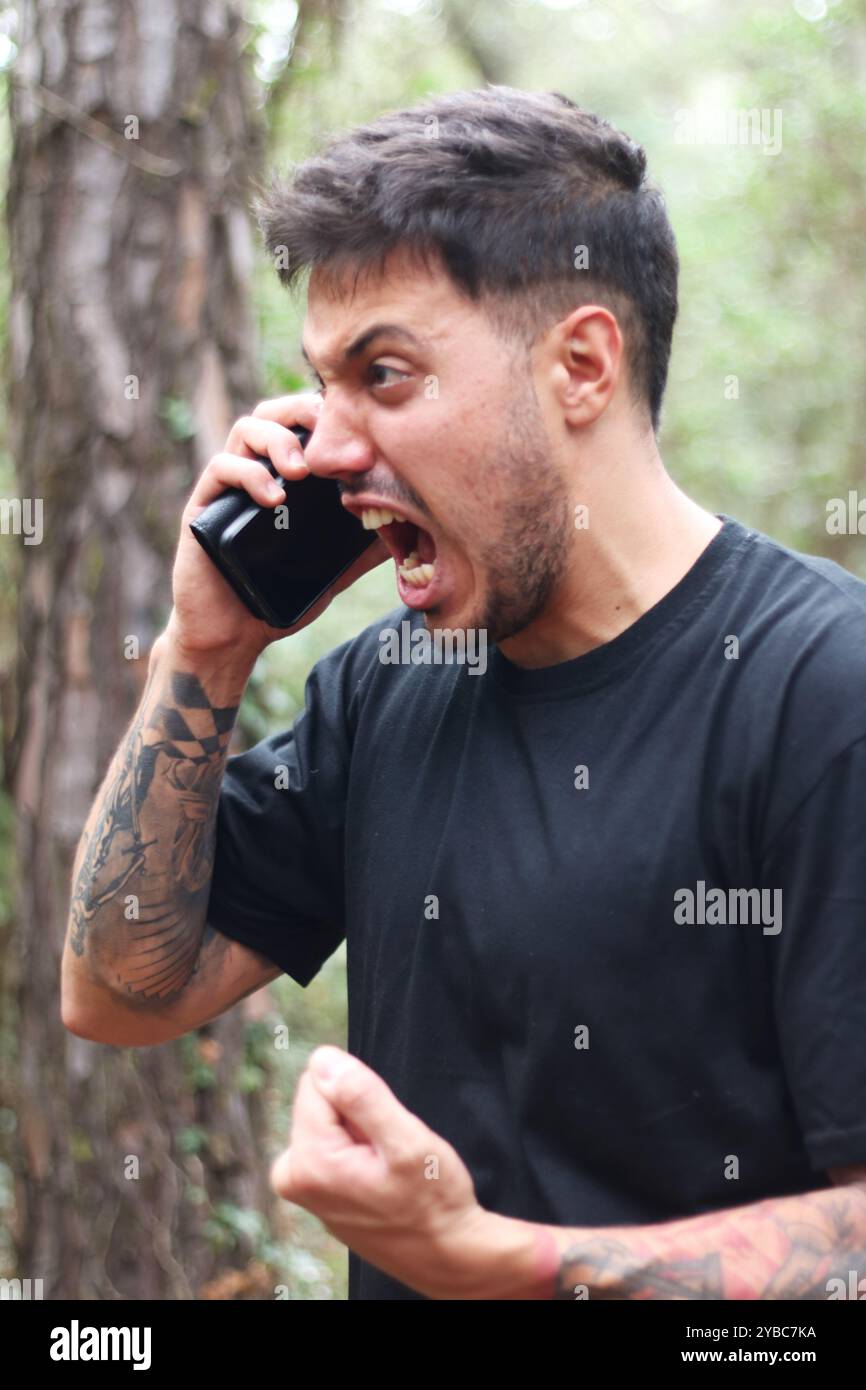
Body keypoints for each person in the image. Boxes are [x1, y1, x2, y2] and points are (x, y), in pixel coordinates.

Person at [62, 86, 866, 1301]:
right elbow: (121, 992)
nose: (325, 449)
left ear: (581, 366)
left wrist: (503, 1265)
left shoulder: (823, 694)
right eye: (321, 386)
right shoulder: (387, 691)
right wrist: (204, 646)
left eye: (383, 374)